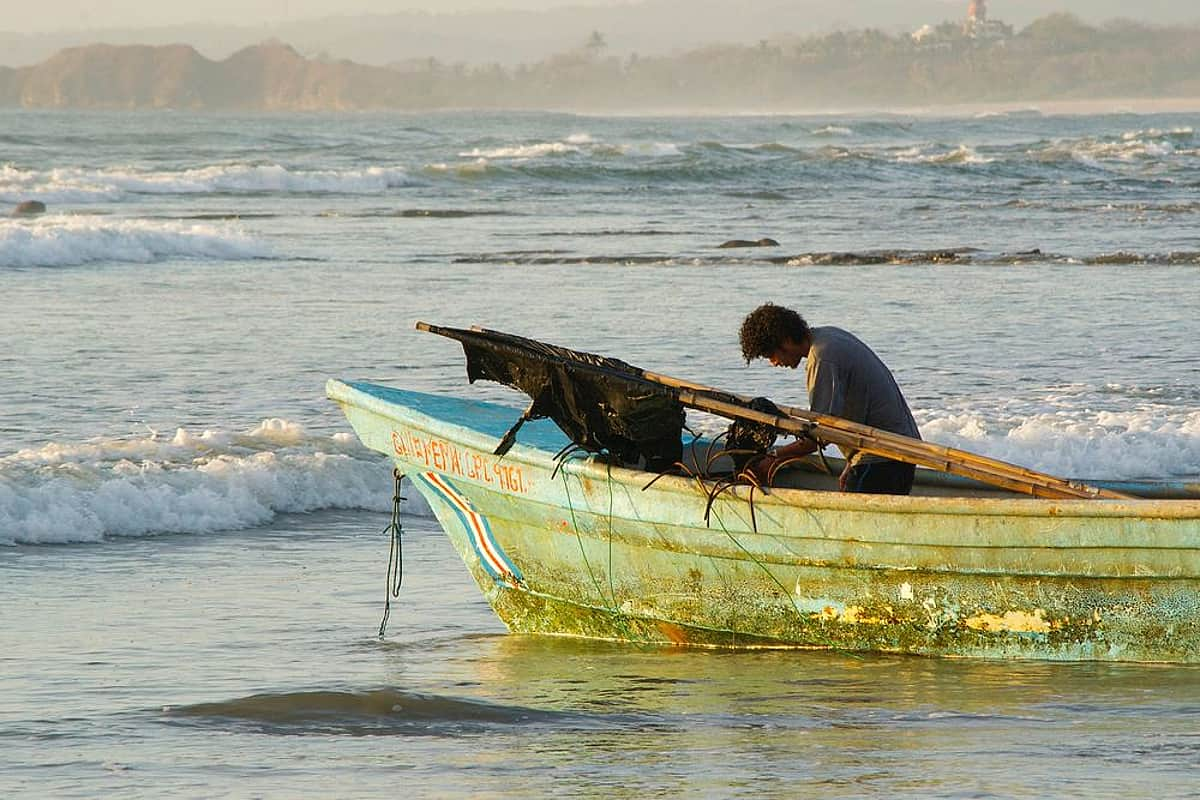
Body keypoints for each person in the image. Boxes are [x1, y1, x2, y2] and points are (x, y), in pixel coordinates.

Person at [738, 303, 920, 495]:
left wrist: (774, 456)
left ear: (786, 340)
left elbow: (820, 434)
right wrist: (851, 462)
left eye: (770, 354)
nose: (773, 363)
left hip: (883, 458)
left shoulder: (822, 357)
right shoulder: (829, 335)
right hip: (897, 450)